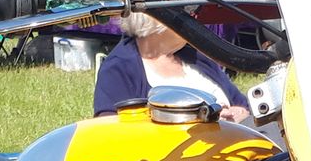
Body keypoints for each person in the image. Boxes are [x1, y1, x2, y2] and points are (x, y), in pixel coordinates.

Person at [92, 11, 250, 119]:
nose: (195, 19)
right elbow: (110, 132)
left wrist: (240, 112)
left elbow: (243, 104)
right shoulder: (119, 68)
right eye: (185, 14)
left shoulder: (196, 56)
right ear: (155, 18)